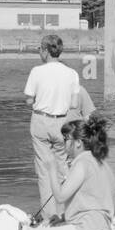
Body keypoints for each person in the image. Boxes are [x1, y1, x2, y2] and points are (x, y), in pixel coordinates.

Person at [23, 34, 81, 219]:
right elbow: (73, 103)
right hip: (62, 122)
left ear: (46, 50)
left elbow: (29, 100)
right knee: (63, 167)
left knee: (44, 169)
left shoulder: (36, 71)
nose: (40, 52)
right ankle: (68, 210)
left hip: (41, 120)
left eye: (40, 49)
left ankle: (50, 217)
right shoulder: (71, 73)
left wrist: (38, 103)